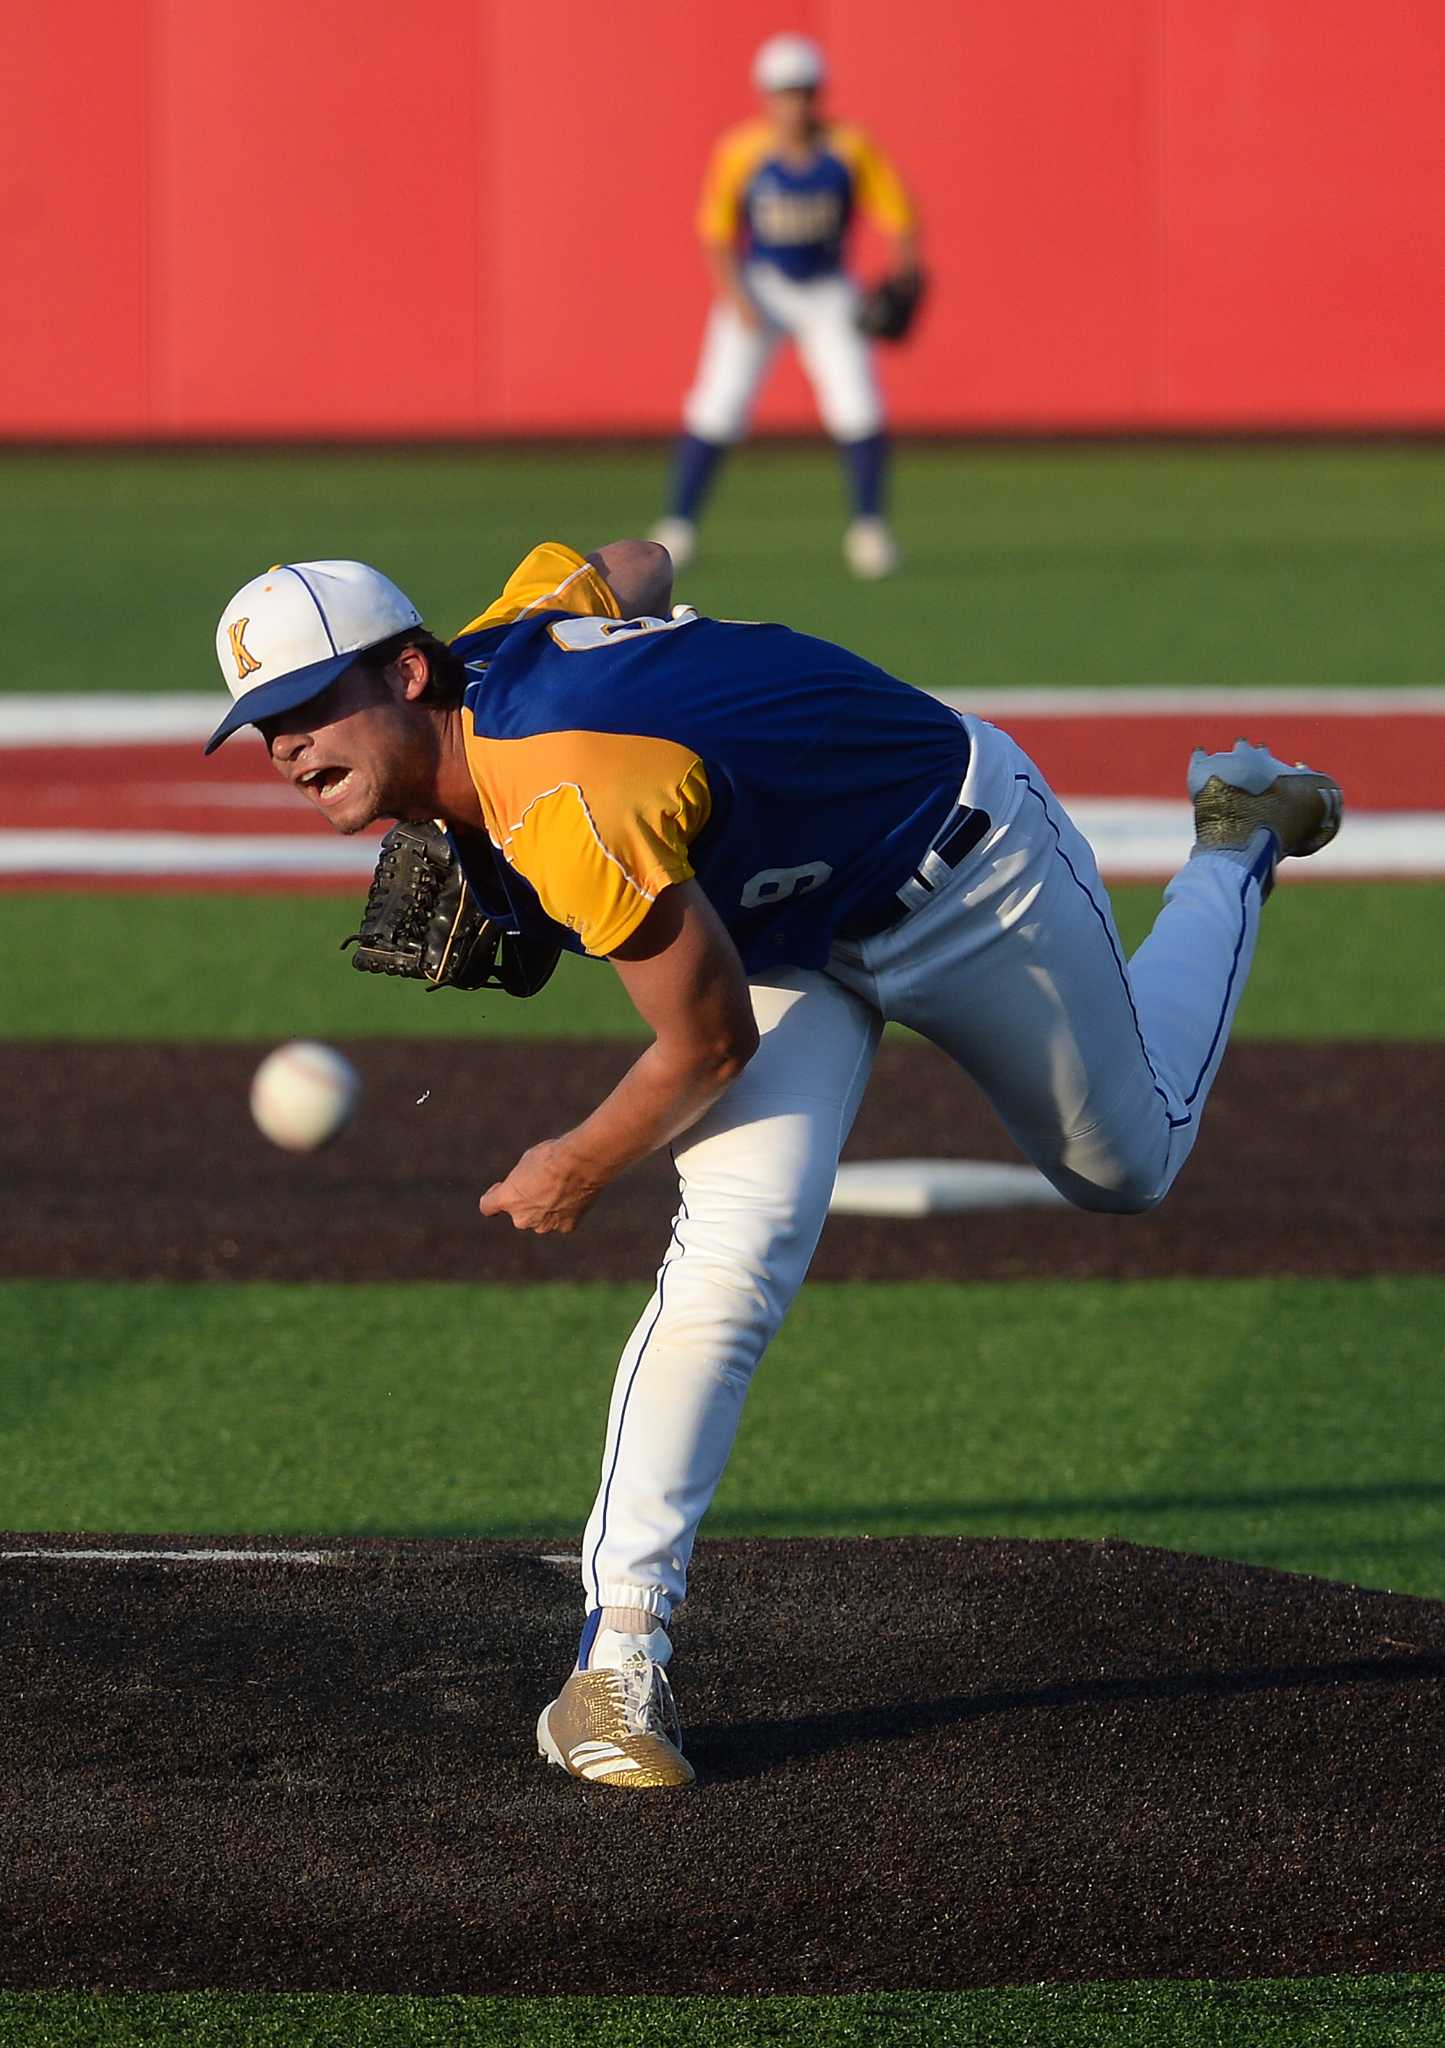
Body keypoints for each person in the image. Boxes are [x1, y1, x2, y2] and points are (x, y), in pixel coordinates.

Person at [206, 540, 1343, 1791]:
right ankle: (614, 1663)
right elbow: (636, 561)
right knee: (729, 1256)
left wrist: (574, 1161)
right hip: (781, 927)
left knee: (1128, 1164)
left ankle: (1235, 839)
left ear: (410, 672)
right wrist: (678, 677)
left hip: (969, 868)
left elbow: (706, 1047)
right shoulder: (503, 639)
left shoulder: (567, 793)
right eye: (265, 723)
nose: (289, 745)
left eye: (311, 704)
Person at [651, 32, 922, 580]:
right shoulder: (741, 151)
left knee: (859, 405)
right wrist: (737, 298)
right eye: (784, 92)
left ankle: (869, 528)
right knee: (717, 405)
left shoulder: (850, 147)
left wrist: (905, 272)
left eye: (802, 91)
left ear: (818, 94)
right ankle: (678, 525)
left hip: (827, 288)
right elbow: (716, 234)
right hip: (762, 285)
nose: (794, 103)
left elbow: (899, 216)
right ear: (766, 96)